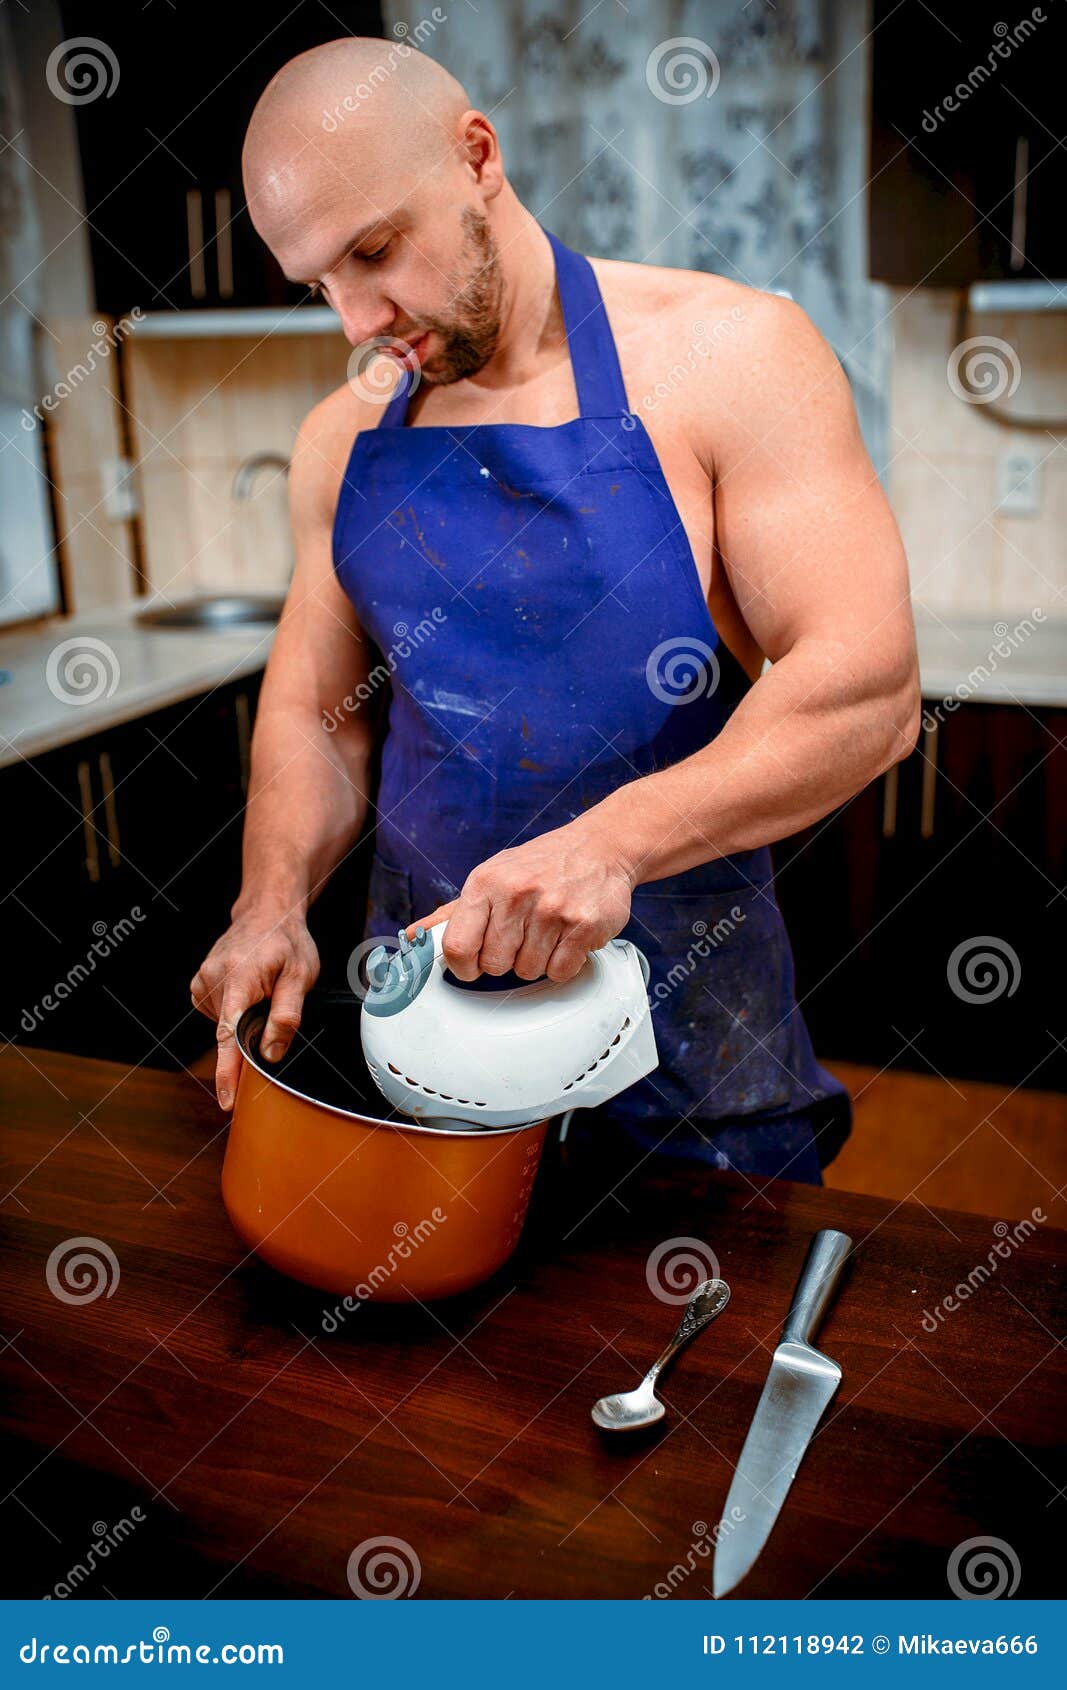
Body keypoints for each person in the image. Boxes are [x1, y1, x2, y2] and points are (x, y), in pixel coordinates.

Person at [191, 37, 919, 1182]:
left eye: (375, 251)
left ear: (476, 154)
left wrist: (608, 846)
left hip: (687, 1050)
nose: (354, 320)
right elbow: (316, 713)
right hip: (427, 1060)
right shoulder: (342, 442)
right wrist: (271, 902)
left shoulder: (730, 356)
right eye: (321, 282)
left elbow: (865, 692)